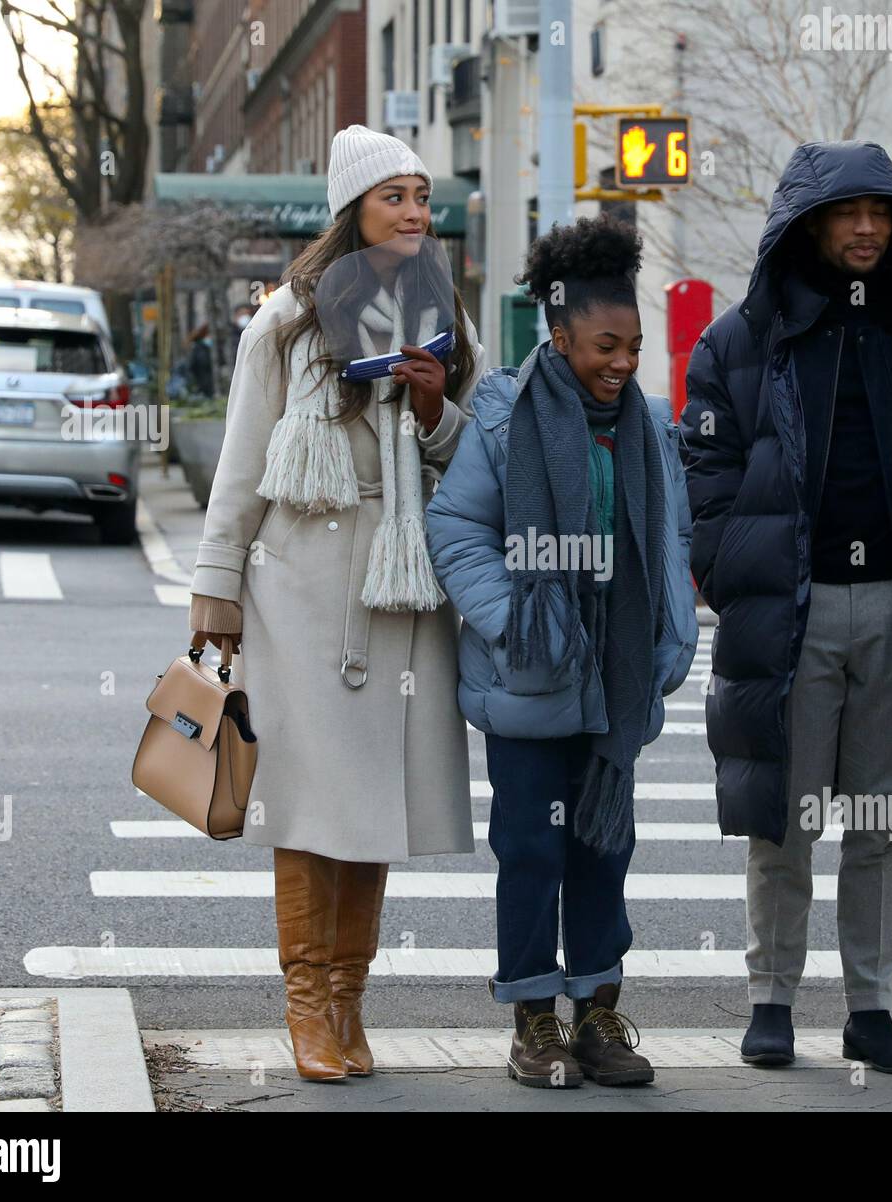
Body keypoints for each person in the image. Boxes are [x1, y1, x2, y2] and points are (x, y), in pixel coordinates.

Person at [681, 140, 892, 1074]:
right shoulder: (741, 339)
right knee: (783, 820)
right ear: (807, 225)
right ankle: (771, 1000)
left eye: (881, 214)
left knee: (879, 820)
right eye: (847, 213)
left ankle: (871, 1008)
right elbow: (703, 464)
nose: (867, 228)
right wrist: (727, 565)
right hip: (790, 613)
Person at [187, 124, 487, 1082]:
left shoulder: (445, 313)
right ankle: (307, 1005)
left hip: (402, 583)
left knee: (373, 804)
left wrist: (436, 409)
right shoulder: (287, 320)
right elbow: (242, 462)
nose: (414, 211)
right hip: (300, 588)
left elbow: (474, 457)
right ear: (352, 208)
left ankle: (351, 1003)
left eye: (422, 196)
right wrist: (215, 585)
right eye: (394, 195)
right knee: (311, 800)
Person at [425, 215, 698, 1088]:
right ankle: (534, 1023)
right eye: (605, 347)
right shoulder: (505, 419)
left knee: (604, 850)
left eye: (634, 347)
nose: (622, 363)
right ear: (559, 333)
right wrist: (516, 621)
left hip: (616, 680)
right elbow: (455, 527)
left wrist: (673, 632)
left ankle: (599, 1018)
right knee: (533, 851)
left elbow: (672, 538)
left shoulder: (648, 425)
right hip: (531, 680)